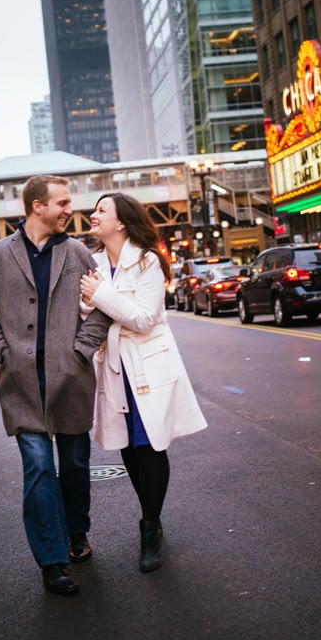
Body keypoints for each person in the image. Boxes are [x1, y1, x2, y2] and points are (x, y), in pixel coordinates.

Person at [0, 175, 111, 595]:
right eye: (62, 202)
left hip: (71, 379)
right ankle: (52, 561)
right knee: (39, 468)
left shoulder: (80, 253)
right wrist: (2, 352)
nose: (70, 209)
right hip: (21, 384)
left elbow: (103, 303)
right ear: (36, 206)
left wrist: (82, 349)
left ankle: (76, 532)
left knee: (76, 467)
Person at [80, 192, 207, 572]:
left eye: (101, 210)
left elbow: (143, 319)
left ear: (121, 222)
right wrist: (103, 301)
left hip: (149, 365)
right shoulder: (93, 262)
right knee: (126, 446)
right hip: (113, 364)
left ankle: (149, 528)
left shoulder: (148, 261)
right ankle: (151, 515)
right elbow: (83, 310)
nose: (92, 215)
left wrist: (101, 296)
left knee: (150, 443)